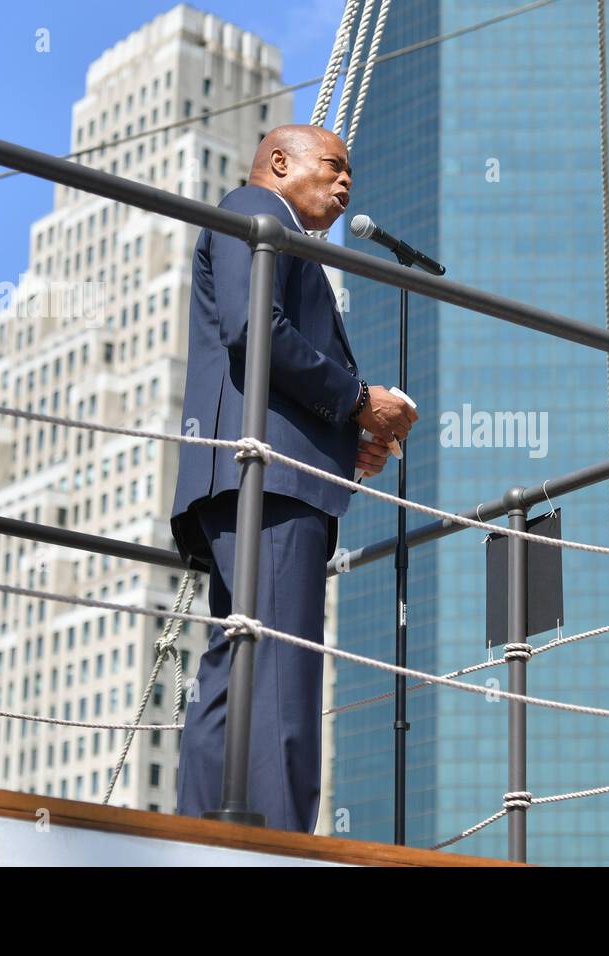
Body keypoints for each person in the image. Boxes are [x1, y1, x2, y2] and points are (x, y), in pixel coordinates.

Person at [170, 124, 418, 831]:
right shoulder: (256, 214)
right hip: (271, 484)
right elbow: (258, 330)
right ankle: (279, 841)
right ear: (279, 163)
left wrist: (349, 434)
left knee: (238, 654)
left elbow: (265, 349)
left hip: (258, 477)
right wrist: (359, 401)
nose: (345, 185)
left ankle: (202, 830)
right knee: (280, 665)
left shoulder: (273, 232)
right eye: (334, 168)